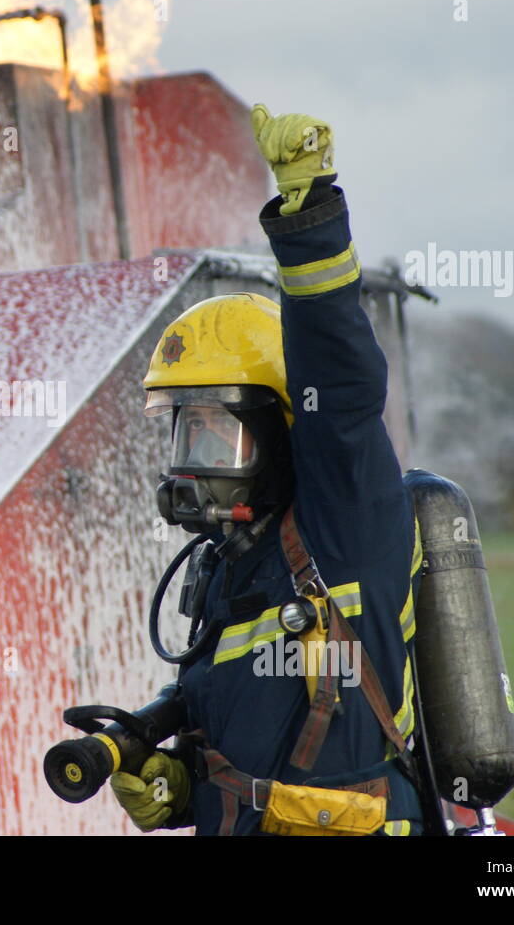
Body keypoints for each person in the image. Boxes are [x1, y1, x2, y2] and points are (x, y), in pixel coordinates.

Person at [109, 105, 425, 836]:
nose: (194, 465)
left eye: (219, 436)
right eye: (186, 433)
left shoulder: (345, 526)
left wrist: (308, 218)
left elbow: (341, 392)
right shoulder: (229, 570)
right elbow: (254, 744)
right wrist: (182, 787)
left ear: (284, 433)